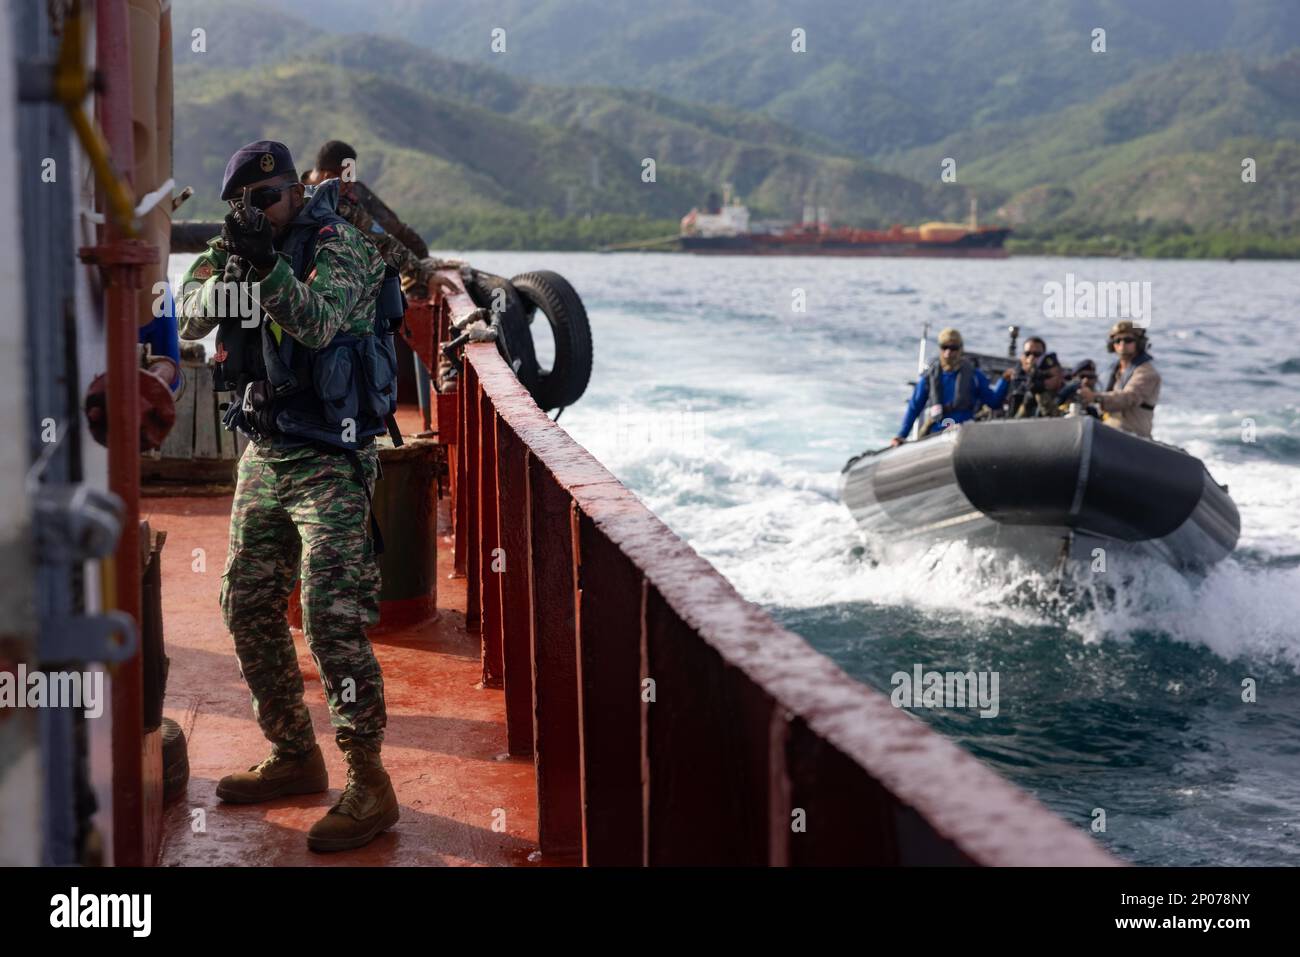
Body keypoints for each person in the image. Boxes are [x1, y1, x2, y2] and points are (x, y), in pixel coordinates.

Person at [176, 140, 399, 853]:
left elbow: (317, 320)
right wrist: (237, 266)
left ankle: (370, 783)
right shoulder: (238, 245)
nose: (261, 213)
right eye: (248, 206)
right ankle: (294, 751)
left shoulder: (341, 245)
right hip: (268, 452)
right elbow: (188, 316)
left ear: (294, 193)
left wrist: (266, 266)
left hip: (332, 456)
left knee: (332, 616)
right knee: (244, 602)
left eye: (270, 200)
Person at [308, 139, 457, 300]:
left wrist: (427, 276)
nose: (351, 186)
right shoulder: (293, 201)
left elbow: (384, 243)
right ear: (328, 176)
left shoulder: (344, 205)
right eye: (347, 180)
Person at [891, 327, 1007, 446]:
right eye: (944, 347)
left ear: (960, 349)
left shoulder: (975, 376)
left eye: (953, 348)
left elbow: (993, 402)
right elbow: (914, 407)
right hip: (936, 436)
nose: (948, 353)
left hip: (964, 434)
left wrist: (1004, 381)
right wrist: (901, 435)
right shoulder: (930, 377)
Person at [1079, 320, 1161, 438]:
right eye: (1117, 340)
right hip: (1110, 431)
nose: (1122, 344)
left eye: (1128, 340)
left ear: (1139, 343)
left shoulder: (1147, 373)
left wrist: (1095, 397)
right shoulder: (1114, 370)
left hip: (1133, 438)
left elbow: (1128, 397)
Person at [1000, 335, 1047, 417]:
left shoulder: (1050, 378)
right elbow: (995, 401)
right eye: (1027, 354)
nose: (1031, 358)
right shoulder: (1011, 376)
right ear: (1022, 356)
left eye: (1037, 354)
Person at [1014, 351, 1067, 418]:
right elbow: (1017, 421)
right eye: (1041, 378)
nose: (1045, 382)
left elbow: (1059, 421)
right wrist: (1028, 401)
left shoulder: (1069, 394)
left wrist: (1042, 394)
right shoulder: (1035, 395)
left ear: (1061, 375)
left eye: (1048, 376)